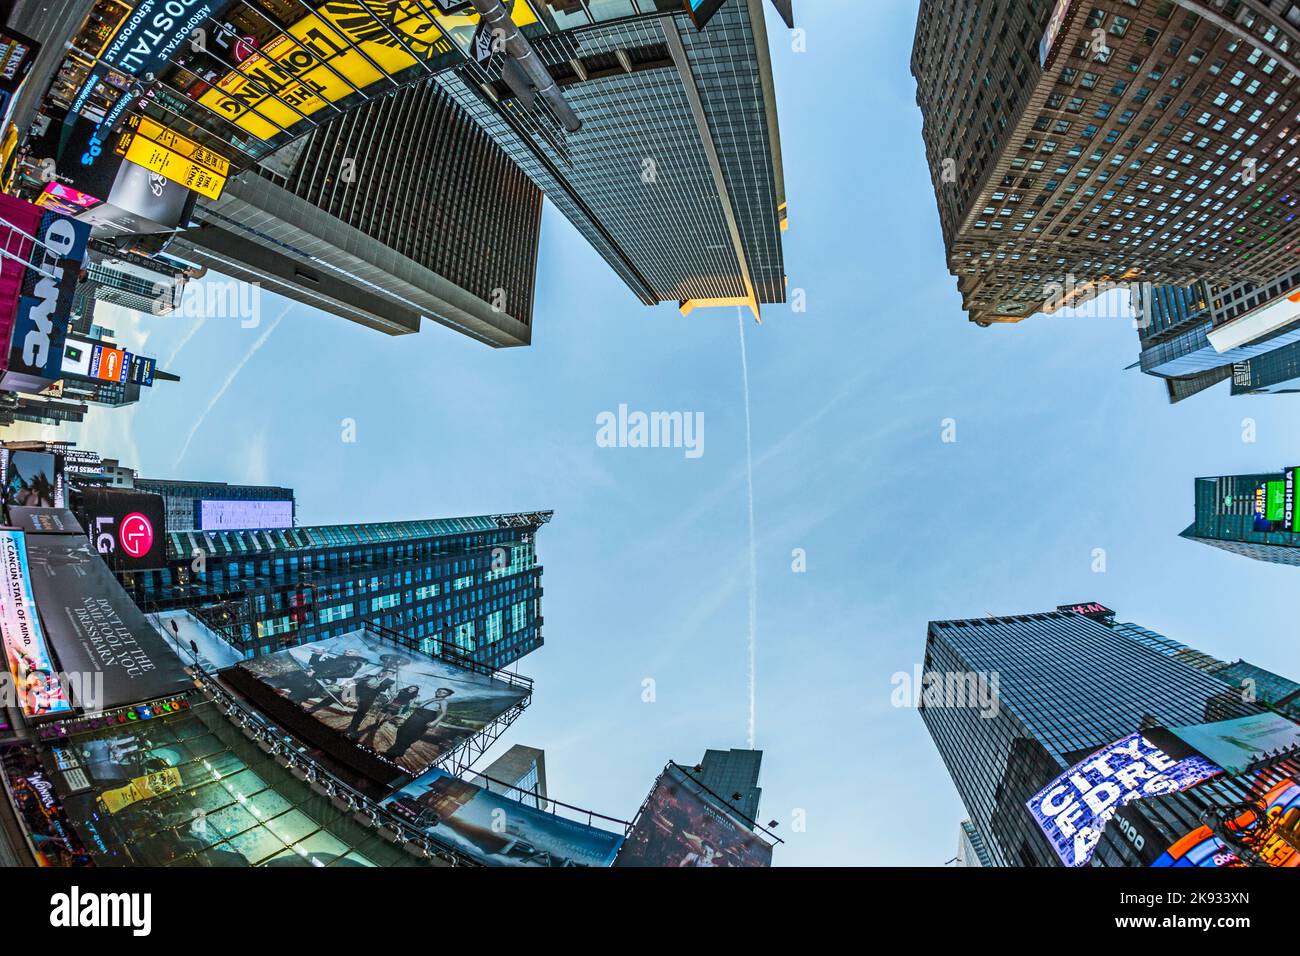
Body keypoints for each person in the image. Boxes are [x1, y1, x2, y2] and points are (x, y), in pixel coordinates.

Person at [383, 688, 455, 763]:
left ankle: (391, 755)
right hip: (416, 715)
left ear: (447, 695)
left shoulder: (443, 701)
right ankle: (391, 753)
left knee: (409, 736)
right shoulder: (432, 699)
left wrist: (434, 722)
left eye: (444, 693)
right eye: (439, 691)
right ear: (436, 691)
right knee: (401, 731)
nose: (440, 693)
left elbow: (444, 713)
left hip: (425, 717)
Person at [342, 669, 396, 735]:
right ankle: (326, 703)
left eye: (390, 673)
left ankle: (352, 729)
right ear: (382, 672)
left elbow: (392, 692)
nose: (387, 674)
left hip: (371, 694)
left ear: (391, 675)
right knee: (341, 694)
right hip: (360, 689)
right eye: (386, 672)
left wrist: (391, 698)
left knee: (362, 712)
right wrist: (347, 682)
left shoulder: (391, 682)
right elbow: (356, 680)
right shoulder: (370, 676)